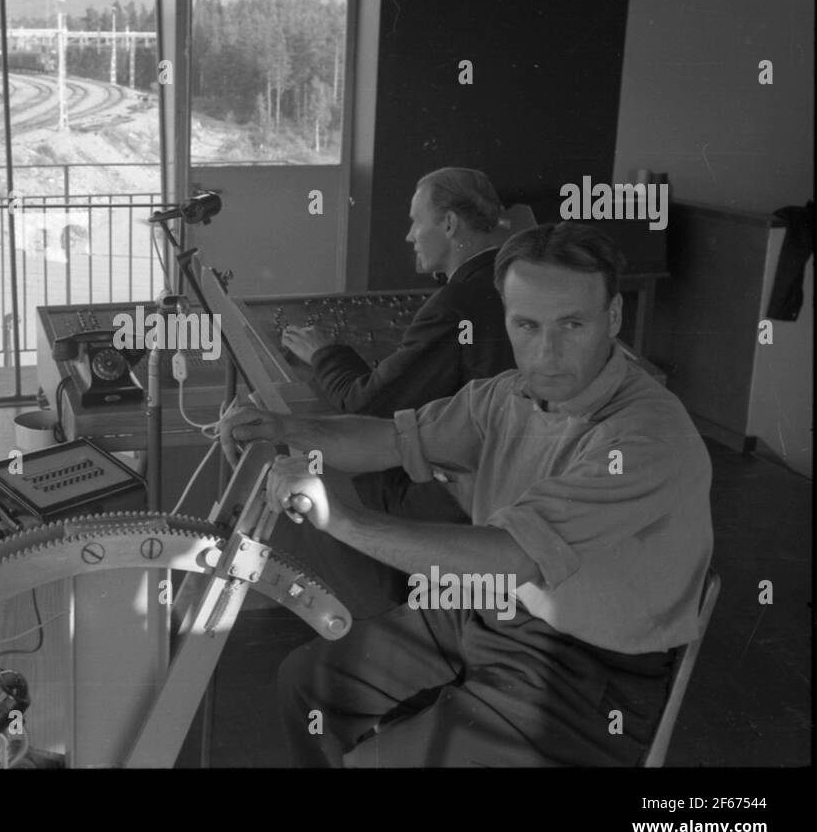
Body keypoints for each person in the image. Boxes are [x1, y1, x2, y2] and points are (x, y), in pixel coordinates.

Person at [221, 222, 713, 767]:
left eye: (572, 324)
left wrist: (339, 518)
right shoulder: (505, 396)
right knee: (308, 684)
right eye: (527, 325)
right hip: (490, 611)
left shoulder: (646, 436)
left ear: (613, 316)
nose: (547, 353)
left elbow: (513, 557)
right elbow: (387, 440)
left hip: (588, 671)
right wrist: (283, 428)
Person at [275, 168, 517, 614]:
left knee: (350, 465)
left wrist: (324, 353)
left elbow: (366, 402)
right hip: (512, 480)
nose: (409, 236)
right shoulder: (516, 280)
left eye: (415, 221)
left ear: (449, 224)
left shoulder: (456, 302)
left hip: (467, 498)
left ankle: (388, 611)